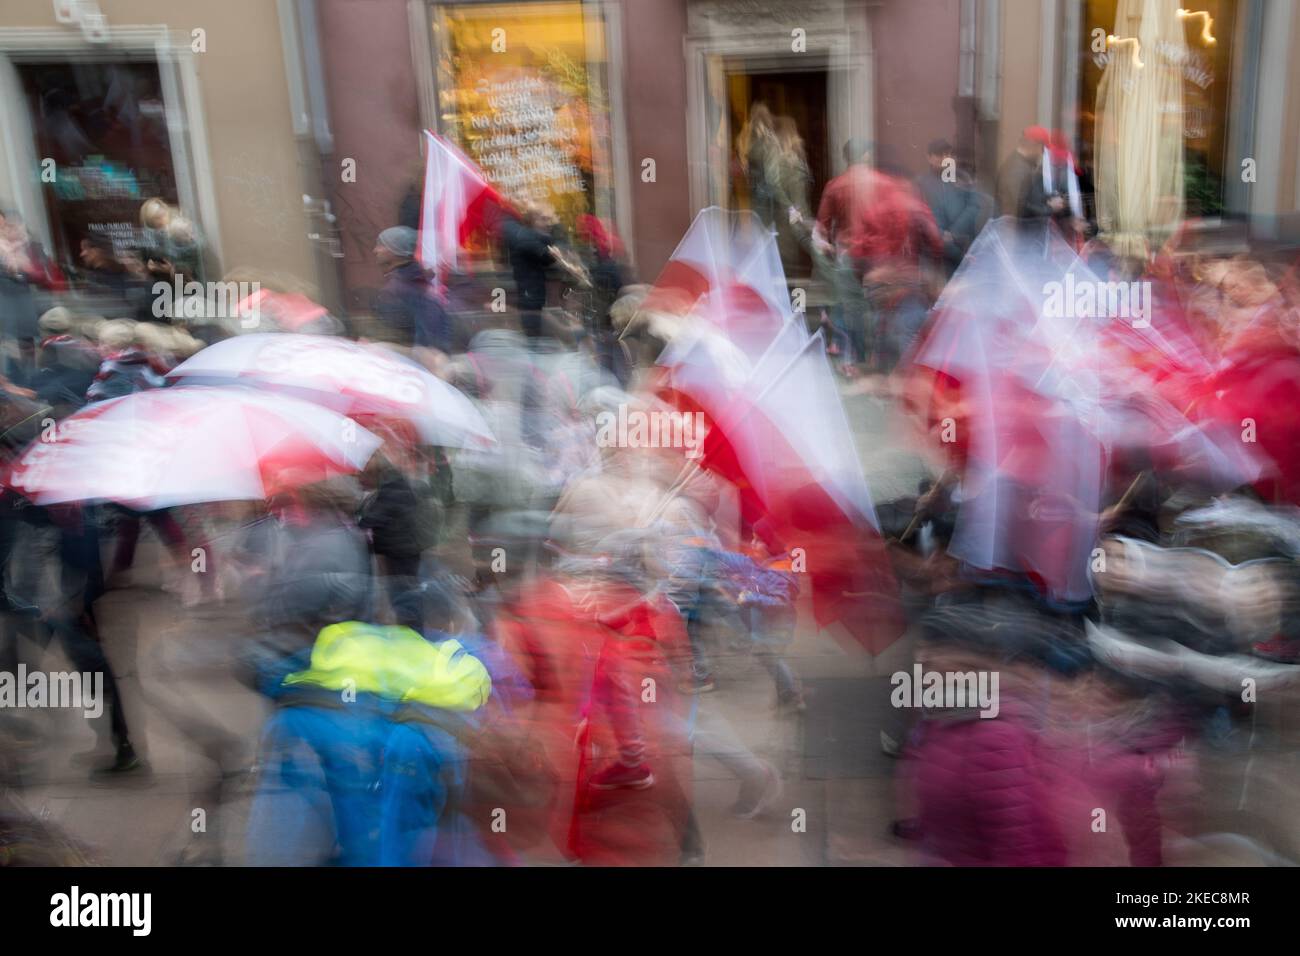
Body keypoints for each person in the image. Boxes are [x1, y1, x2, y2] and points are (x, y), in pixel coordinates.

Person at [373, 226, 450, 351]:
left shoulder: (399, 288)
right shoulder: (414, 282)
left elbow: (415, 341)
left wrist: (379, 346)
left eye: (381, 245)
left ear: (395, 250)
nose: (375, 250)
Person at [915, 139, 983, 275]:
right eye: (940, 155)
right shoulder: (921, 183)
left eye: (949, 154)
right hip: (936, 256)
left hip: (964, 247)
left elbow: (974, 205)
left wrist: (953, 232)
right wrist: (948, 243)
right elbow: (924, 219)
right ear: (929, 157)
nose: (945, 159)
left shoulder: (963, 177)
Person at [499, 204, 559, 341]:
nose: (548, 224)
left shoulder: (533, 238)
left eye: (549, 219)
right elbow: (546, 256)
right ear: (532, 221)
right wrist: (551, 252)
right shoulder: (527, 238)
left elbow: (547, 259)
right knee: (532, 330)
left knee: (535, 328)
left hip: (534, 292)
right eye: (543, 219)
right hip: (529, 293)